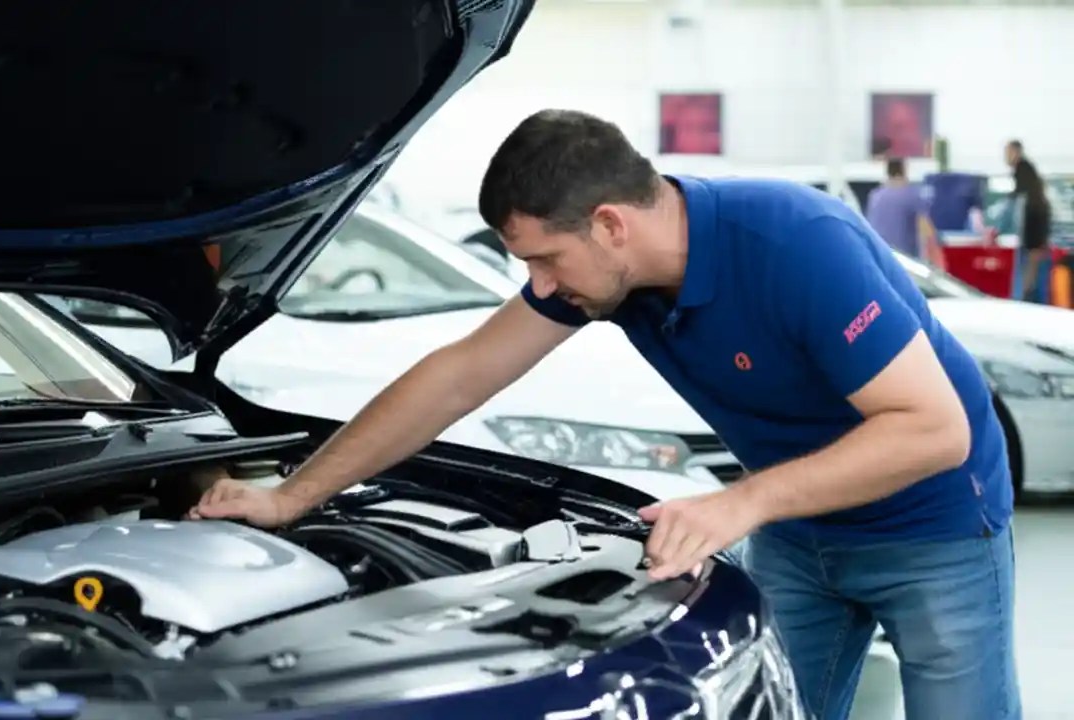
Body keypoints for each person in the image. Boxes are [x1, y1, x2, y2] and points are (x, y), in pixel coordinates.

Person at [190, 110, 1020, 720]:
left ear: (611, 224)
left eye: (543, 260)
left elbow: (933, 430)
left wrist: (740, 502)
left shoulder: (796, 244)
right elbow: (458, 377)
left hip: (934, 529)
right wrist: (291, 498)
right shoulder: (608, 280)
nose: (540, 287)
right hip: (802, 532)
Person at [865, 157, 944, 267]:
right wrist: (938, 259)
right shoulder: (912, 195)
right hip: (906, 262)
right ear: (904, 169)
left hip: (880, 259)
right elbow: (925, 229)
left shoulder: (875, 196)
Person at [1006, 139, 1052, 302]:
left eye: (1008, 152)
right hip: (1038, 222)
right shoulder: (1028, 171)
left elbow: (1018, 195)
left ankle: (1026, 292)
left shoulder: (1021, 169)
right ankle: (1028, 290)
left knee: (1031, 263)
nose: (1006, 157)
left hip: (1034, 224)